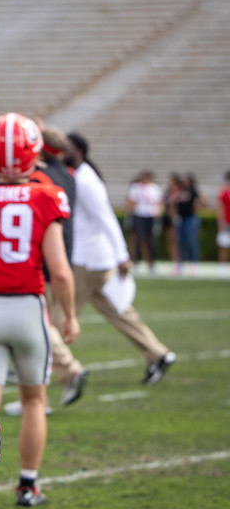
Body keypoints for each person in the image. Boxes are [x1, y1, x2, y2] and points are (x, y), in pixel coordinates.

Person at [0, 114, 78, 509]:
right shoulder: (46, 195)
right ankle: (27, 485)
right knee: (33, 400)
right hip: (27, 307)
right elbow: (59, 269)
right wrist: (70, 315)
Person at [66, 132, 175, 385]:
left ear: (79, 152)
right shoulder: (82, 176)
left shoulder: (85, 180)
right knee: (119, 311)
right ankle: (158, 353)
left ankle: (48, 379)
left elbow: (107, 218)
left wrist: (122, 254)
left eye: (67, 148)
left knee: (57, 319)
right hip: (96, 260)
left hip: (87, 261)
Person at [30, 124, 89, 407]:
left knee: (39, 325)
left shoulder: (37, 178)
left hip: (41, 259)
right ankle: (42, 394)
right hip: (63, 254)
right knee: (43, 325)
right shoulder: (69, 176)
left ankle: (69, 368)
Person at [125, 171, 163, 273]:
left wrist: (158, 213)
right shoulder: (136, 187)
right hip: (139, 215)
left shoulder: (154, 188)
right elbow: (130, 201)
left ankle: (151, 264)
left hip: (150, 216)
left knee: (150, 241)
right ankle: (136, 262)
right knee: (137, 240)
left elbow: (159, 203)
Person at [174, 174, 207, 276]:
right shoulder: (180, 191)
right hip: (181, 219)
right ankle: (180, 263)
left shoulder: (194, 191)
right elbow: (173, 202)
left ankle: (193, 263)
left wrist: (197, 207)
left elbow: (203, 202)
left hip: (190, 218)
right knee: (180, 241)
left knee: (192, 240)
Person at [217, 171, 230, 277]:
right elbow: (221, 207)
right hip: (226, 221)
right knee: (224, 245)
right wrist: (221, 221)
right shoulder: (224, 191)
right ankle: (223, 268)